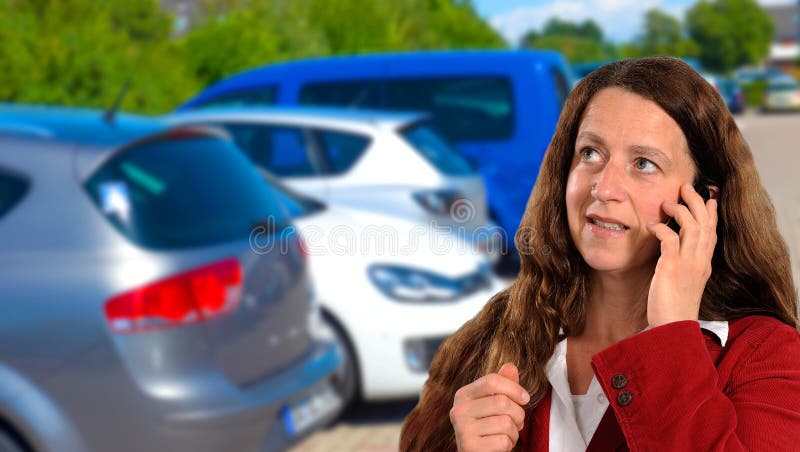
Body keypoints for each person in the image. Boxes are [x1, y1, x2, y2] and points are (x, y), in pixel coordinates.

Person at [399, 56, 800, 451]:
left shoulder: (764, 357)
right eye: (590, 154)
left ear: (702, 202)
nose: (604, 187)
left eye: (643, 163)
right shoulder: (485, 341)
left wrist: (670, 336)